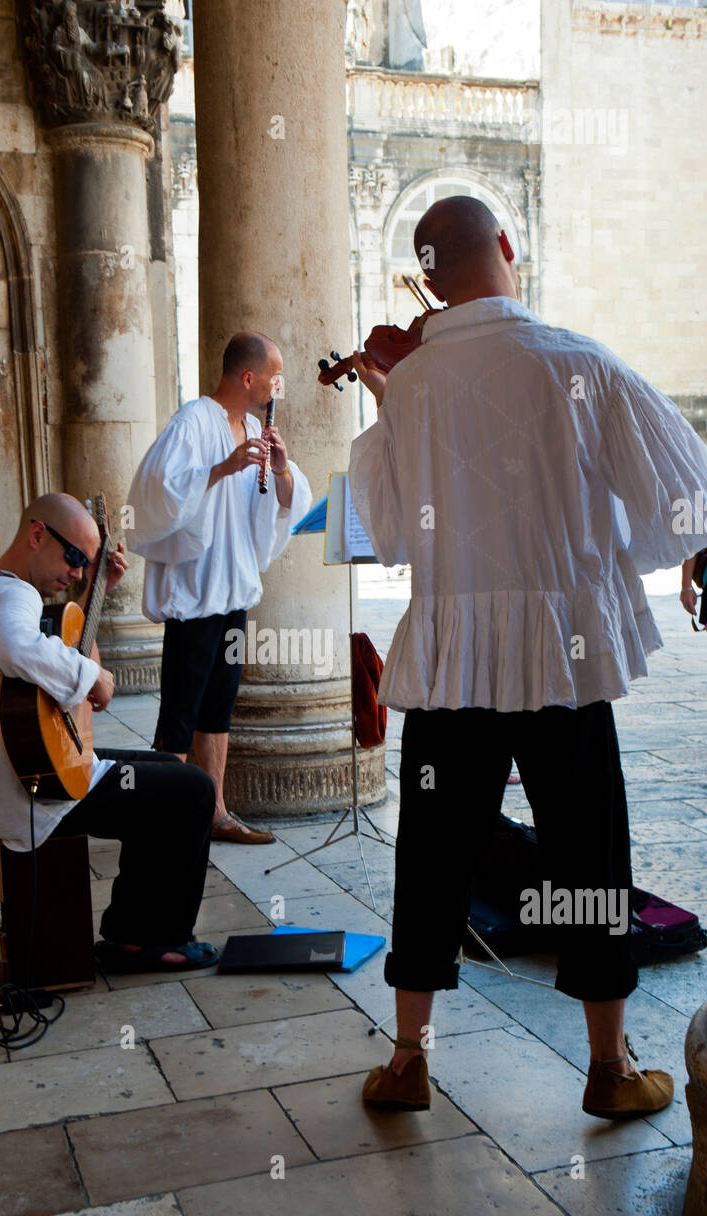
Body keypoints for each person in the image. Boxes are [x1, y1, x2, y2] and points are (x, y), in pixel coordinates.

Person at [349, 195, 707, 1117]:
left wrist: (396, 403)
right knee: (591, 854)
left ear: (427, 278)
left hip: (452, 660)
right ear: (508, 248)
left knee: (430, 856)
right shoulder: (579, 362)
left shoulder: (413, 384)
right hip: (563, 653)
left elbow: (385, 532)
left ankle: (407, 1062)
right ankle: (609, 1068)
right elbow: (682, 496)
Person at [0, 492, 218, 973]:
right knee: (194, 789)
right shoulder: (11, 595)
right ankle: (154, 939)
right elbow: (16, 646)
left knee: (164, 769)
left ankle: (132, 931)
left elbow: (57, 646)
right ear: (36, 534)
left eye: (86, 566)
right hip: (24, 792)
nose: (77, 573)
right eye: (74, 558)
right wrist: (95, 679)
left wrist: (96, 593)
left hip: (8, 771)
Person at [124, 331, 313, 843]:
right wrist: (222, 468)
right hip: (194, 596)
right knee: (180, 712)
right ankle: (163, 822)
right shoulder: (192, 421)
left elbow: (286, 500)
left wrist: (280, 470)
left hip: (233, 592)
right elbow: (155, 493)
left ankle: (216, 813)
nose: (279, 388)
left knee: (218, 708)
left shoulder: (254, 425)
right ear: (248, 377)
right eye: (274, 377)